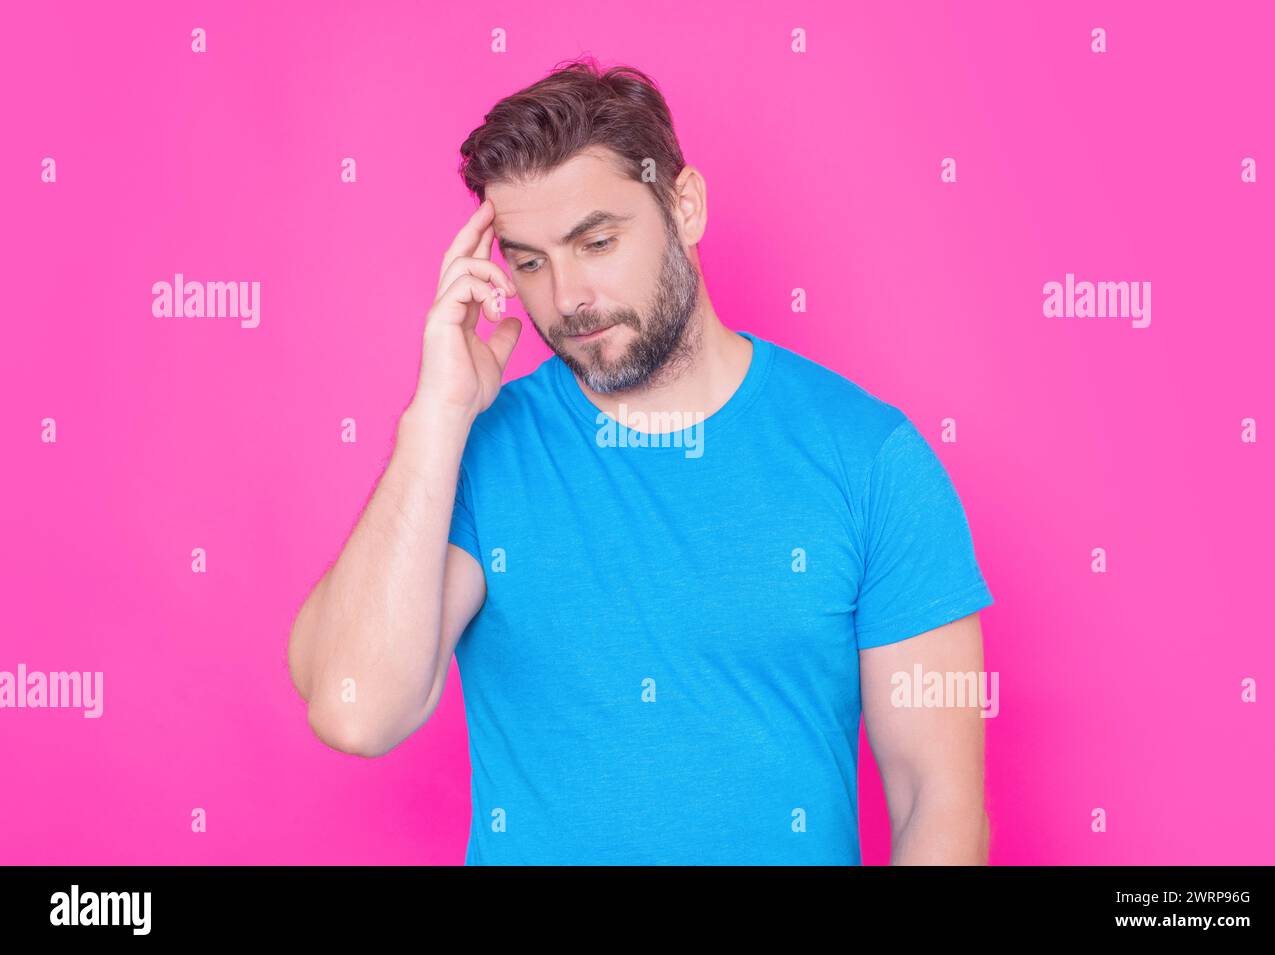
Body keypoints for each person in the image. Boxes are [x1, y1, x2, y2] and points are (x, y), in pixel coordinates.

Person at [288, 56, 995, 865]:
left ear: (684, 206)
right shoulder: (477, 452)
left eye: (597, 241)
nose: (567, 296)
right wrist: (436, 417)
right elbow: (355, 711)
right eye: (528, 261)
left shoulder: (872, 459)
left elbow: (937, 802)